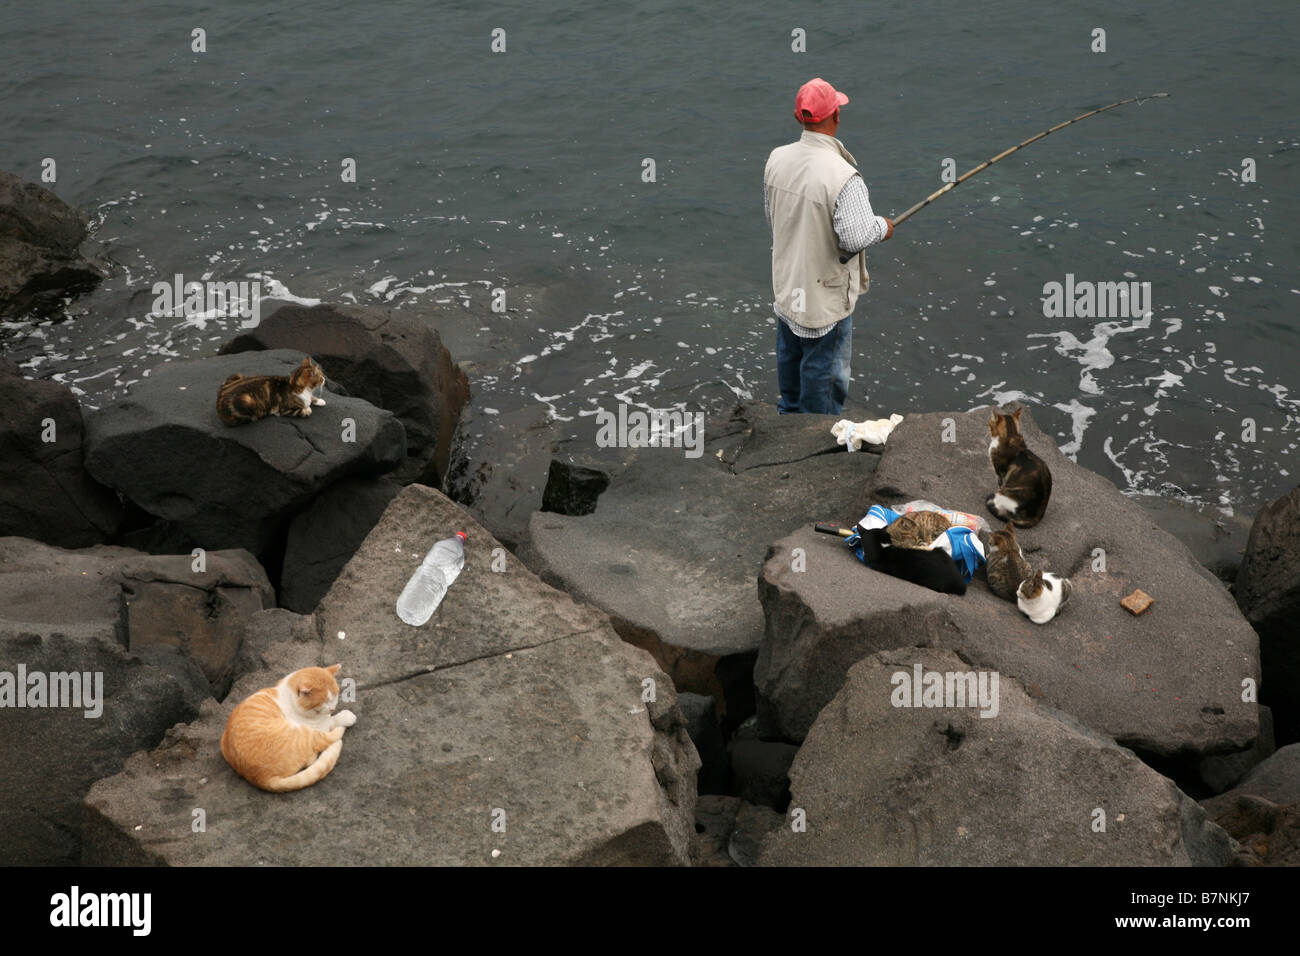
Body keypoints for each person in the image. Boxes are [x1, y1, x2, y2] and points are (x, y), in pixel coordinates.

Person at [764, 77, 893, 414]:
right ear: (836, 116)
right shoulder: (843, 175)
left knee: (790, 360)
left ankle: (787, 420)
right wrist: (882, 227)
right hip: (825, 299)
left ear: (798, 118)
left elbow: (773, 217)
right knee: (824, 374)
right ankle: (816, 438)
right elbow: (854, 237)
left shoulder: (776, 159)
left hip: (789, 287)